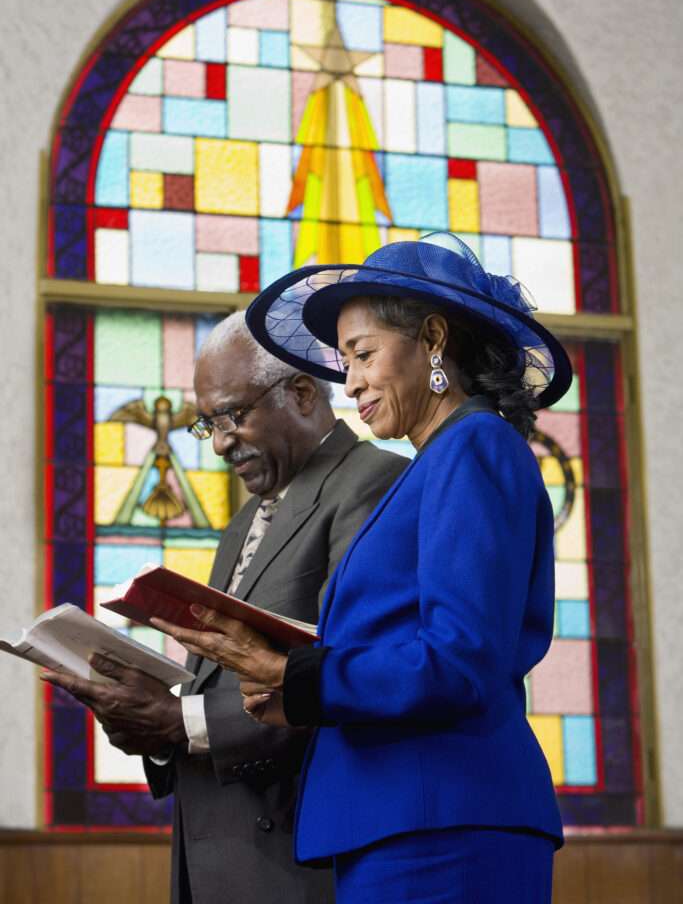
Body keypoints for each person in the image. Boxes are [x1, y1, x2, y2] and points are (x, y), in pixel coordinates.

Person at [154, 234, 573, 904]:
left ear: (433, 340)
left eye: (363, 355)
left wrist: (299, 675)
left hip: (442, 820)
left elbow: (459, 660)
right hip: (398, 819)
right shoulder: (433, 464)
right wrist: (288, 688)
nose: (348, 383)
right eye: (344, 362)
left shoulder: (473, 447)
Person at [42, 311, 408, 904]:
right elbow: (218, 682)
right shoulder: (242, 523)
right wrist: (152, 725)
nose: (219, 442)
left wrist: (175, 720)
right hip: (211, 854)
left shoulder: (373, 481)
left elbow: (352, 679)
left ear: (303, 392)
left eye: (234, 415)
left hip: (295, 862)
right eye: (207, 423)